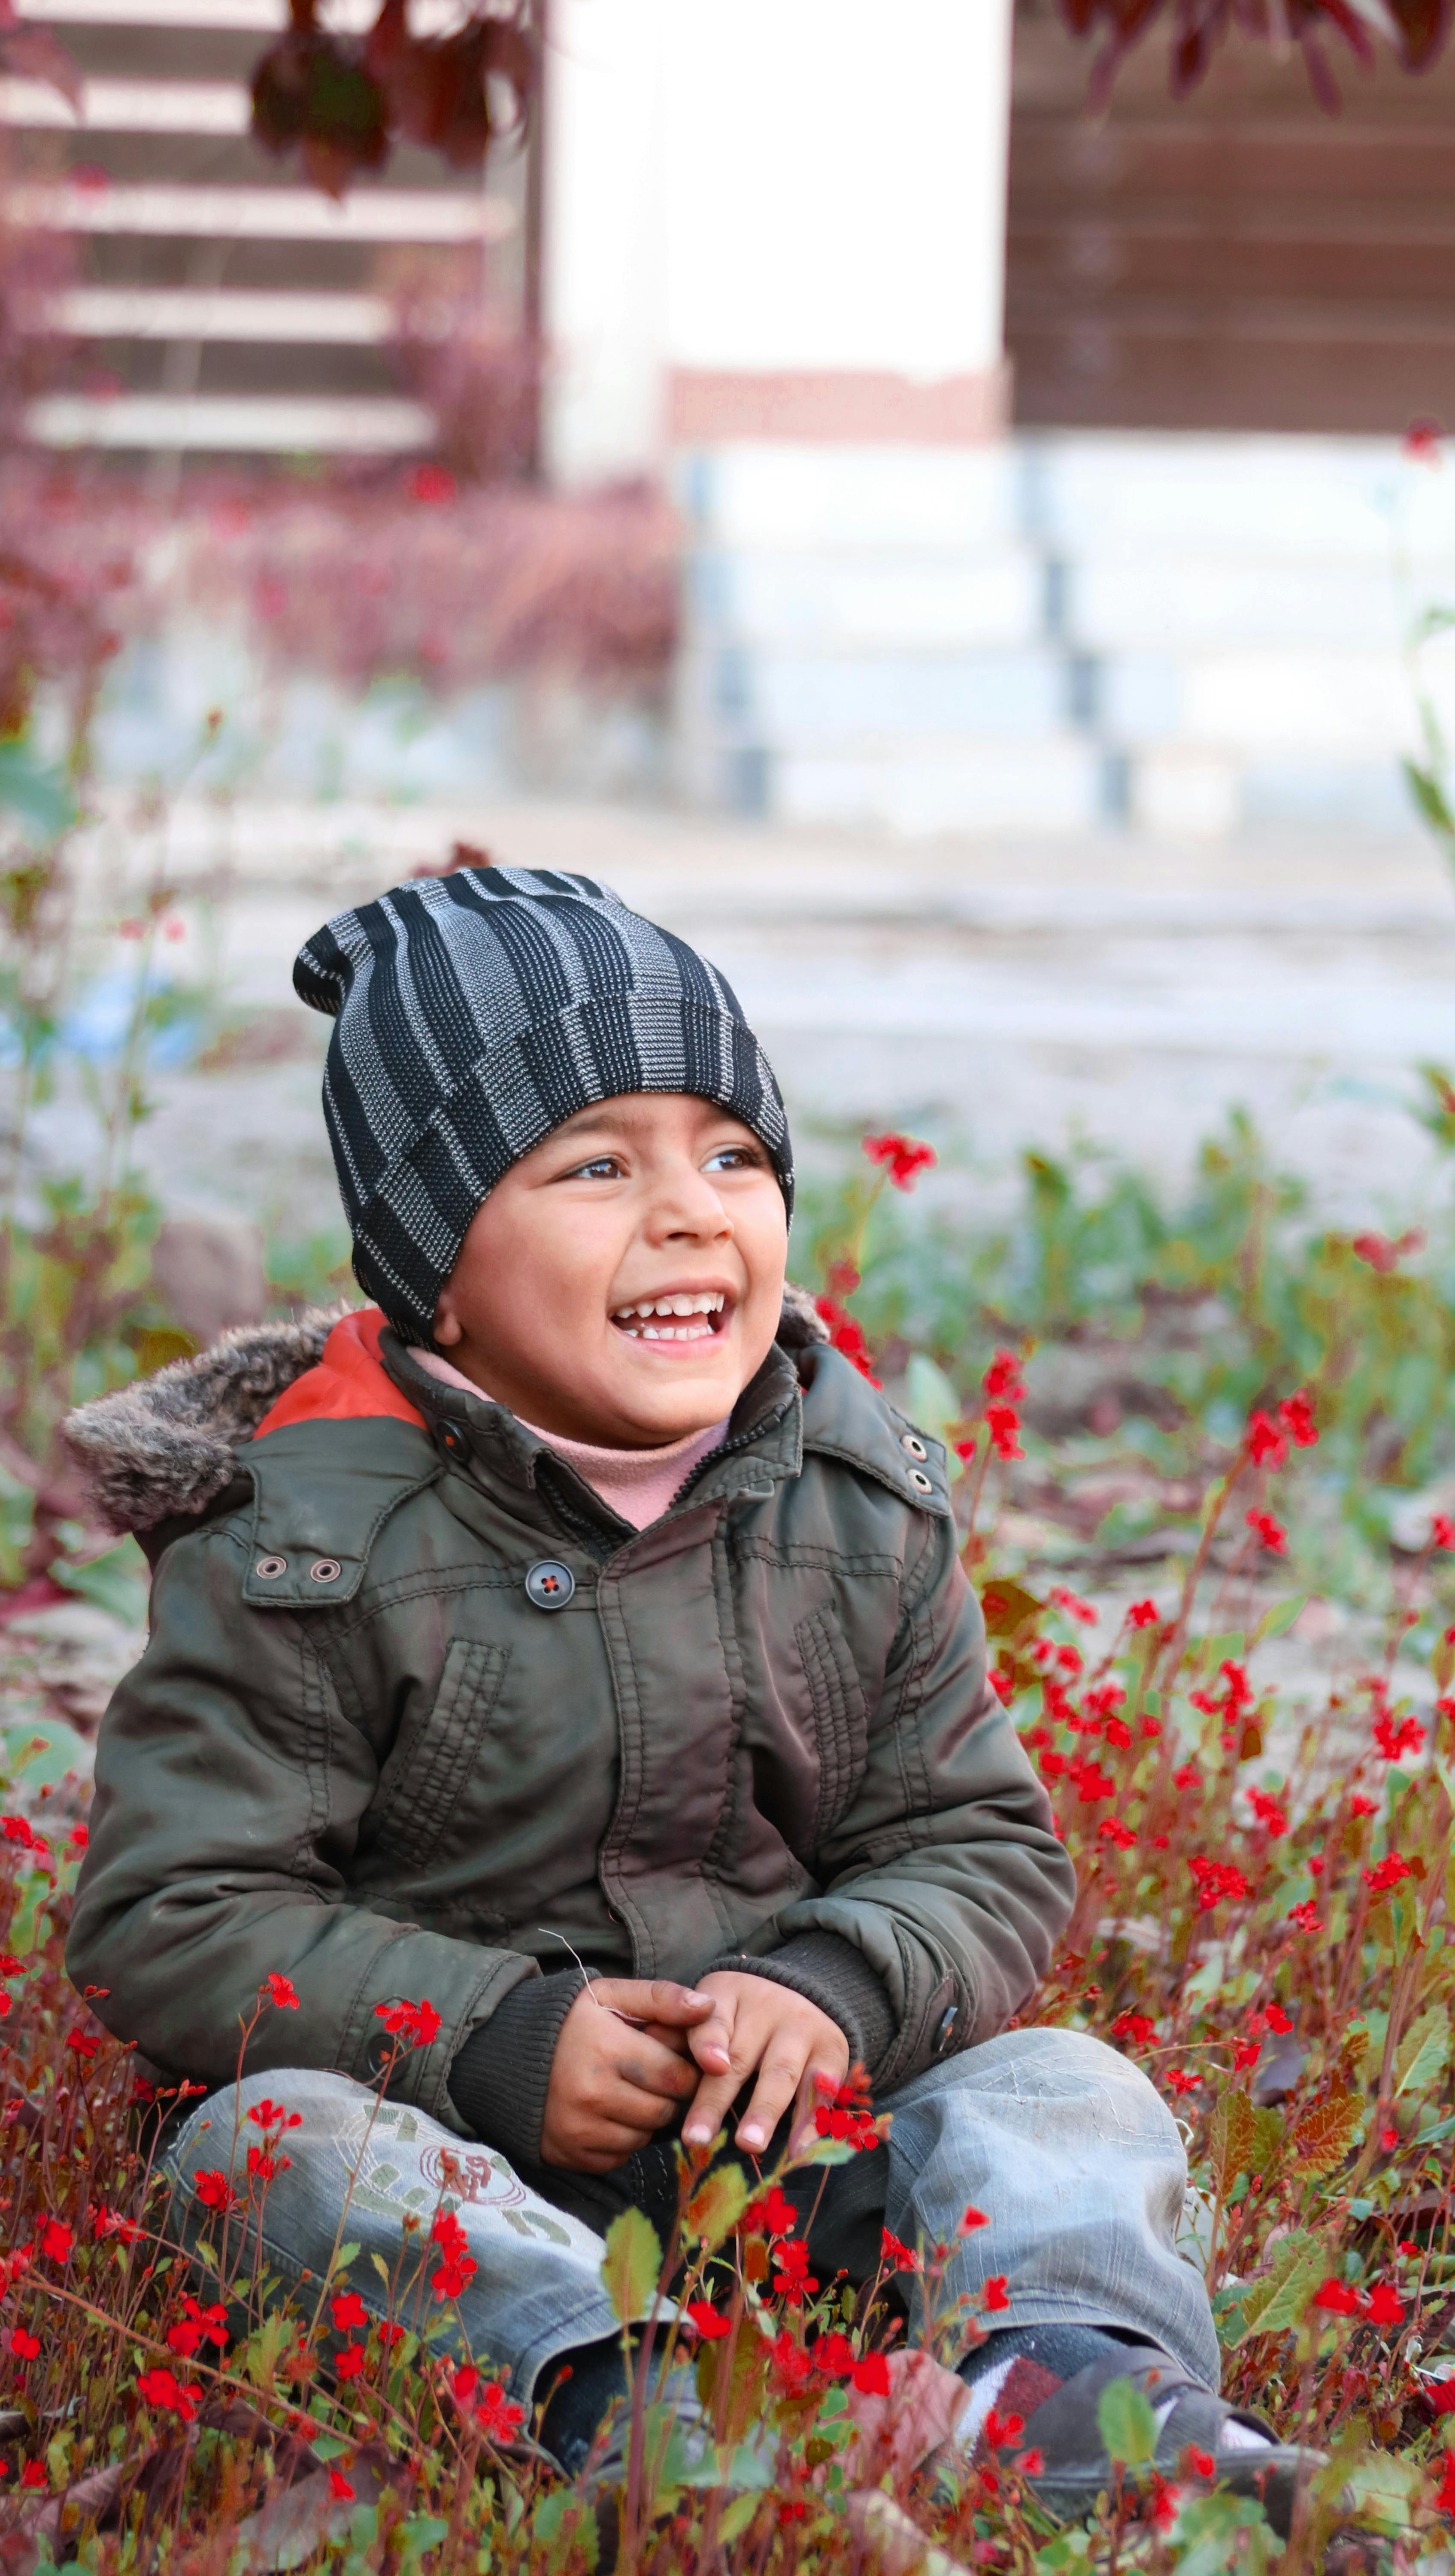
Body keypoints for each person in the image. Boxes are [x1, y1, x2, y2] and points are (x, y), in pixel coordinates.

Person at [64, 864, 1312, 2525]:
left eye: (733, 1156)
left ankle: (1068, 2389)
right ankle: (625, 2419)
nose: (691, 1213)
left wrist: (832, 1989)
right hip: (459, 2153)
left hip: (784, 2140)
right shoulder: (305, 1539)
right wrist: (494, 2039)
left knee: (1060, 2087)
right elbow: (172, 1913)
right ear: (438, 1271)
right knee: (268, 2152)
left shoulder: (853, 1501)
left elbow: (979, 1844)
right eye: (597, 1166)